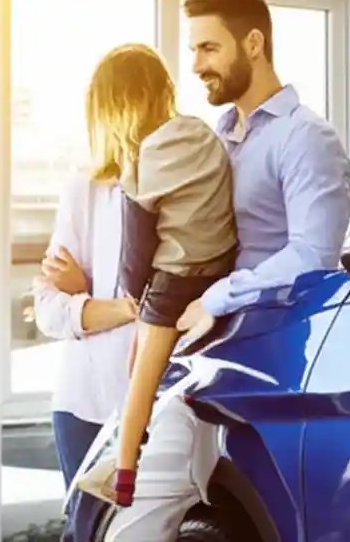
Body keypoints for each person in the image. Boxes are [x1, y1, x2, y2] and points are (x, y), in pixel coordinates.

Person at [95, 0, 350, 540]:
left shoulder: (305, 139)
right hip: (209, 366)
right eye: (192, 50)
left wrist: (216, 297)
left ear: (254, 44)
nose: (195, 65)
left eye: (208, 48)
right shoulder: (219, 136)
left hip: (275, 375)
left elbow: (315, 257)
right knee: (131, 524)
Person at [75, 43, 237, 508]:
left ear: (117, 109)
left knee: (140, 376)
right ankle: (149, 450)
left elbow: (137, 252)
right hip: (220, 272)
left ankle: (124, 472)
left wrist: (134, 295)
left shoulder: (143, 162)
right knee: (164, 370)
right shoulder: (201, 135)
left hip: (172, 282)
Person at [31, 70, 143, 513]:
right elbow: (47, 309)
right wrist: (122, 307)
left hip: (153, 404)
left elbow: (176, 299)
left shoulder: (180, 189)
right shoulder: (84, 190)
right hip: (84, 405)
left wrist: (85, 293)